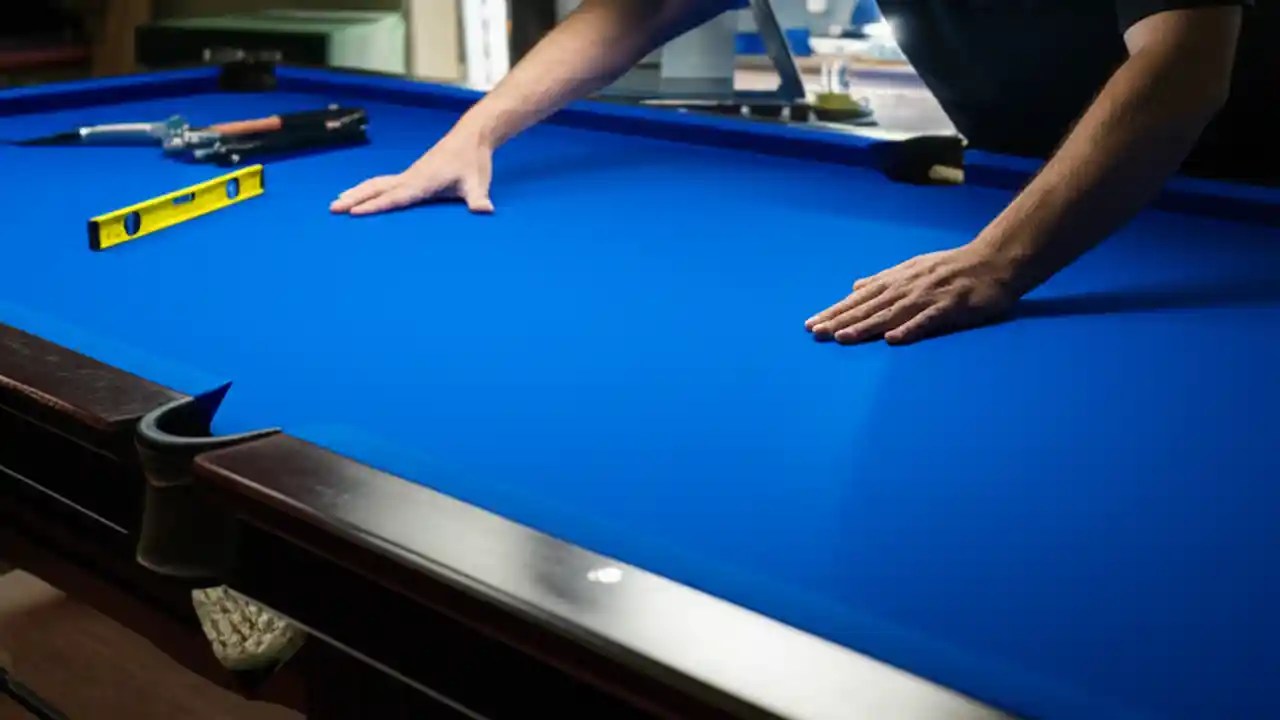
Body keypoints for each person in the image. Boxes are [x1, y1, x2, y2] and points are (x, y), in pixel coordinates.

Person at [330, 0, 1274, 346]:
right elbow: (636, 13)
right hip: (1037, 181)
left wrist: (1000, 261)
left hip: (1252, 202)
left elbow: (1184, 67)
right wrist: (476, 133)